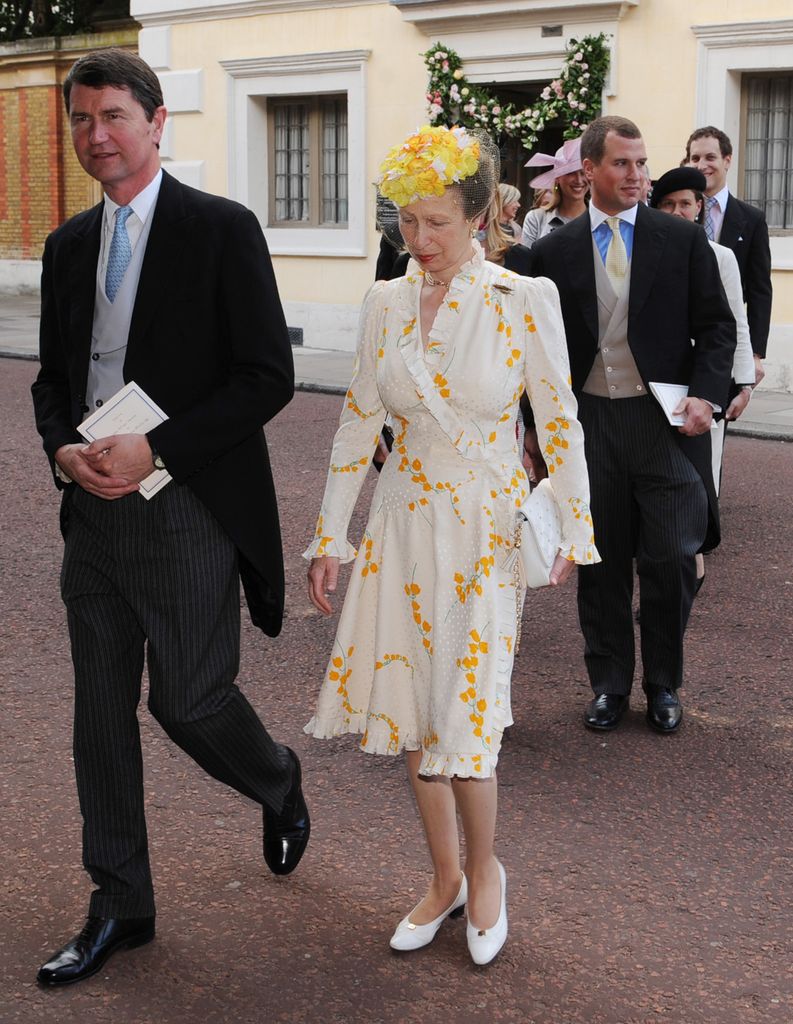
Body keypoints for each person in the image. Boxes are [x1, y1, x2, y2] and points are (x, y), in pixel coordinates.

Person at [31, 49, 309, 987]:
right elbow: (53, 384)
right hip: (93, 519)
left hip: (186, 504)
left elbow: (268, 375)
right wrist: (65, 451)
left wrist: (163, 449)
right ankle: (121, 903)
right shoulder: (68, 246)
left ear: (156, 123)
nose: (95, 135)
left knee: (188, 701)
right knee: (99, 718)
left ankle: (275, 779)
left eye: (112, 115)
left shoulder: (220, 230)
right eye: (80, 119)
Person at [304, 125, 598, 965]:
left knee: (465, 716)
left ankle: (487, 870)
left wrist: (572, 528)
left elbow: (560, 420)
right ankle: (442, 879)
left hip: (482, 528)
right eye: (406, 221)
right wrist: (331, 536)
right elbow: (359, 420)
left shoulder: (519, 300)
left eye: (436, 222)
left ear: (482, 216)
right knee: (413, 710)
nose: (419, 240)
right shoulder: (383, 303)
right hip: (400, 524)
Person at [528, 116, 736, 735]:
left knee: (672, 557)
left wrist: (707, 395)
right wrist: (539, 431)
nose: (638, 176)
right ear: (587, 170)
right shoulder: (552, 253)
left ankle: (664, 683)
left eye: (642, 163)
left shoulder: (681, 240)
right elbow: (534, 352)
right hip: (587, 425)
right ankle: (609, 684)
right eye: (623, 164)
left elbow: (718, 328)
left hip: (664, 422)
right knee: (600, 563)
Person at [649, 166, 755, 497]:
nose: (676, 212)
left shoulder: (722, 257)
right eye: (667, 205)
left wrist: (744, 383)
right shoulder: (648, 255)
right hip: (661, 375)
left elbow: (734, 320)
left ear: (698, 208)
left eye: (684, 204)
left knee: (703, 469)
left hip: (707, 376)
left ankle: (698, 541)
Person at [685, 126, 772, 387]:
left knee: (718, 420)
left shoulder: (752, 219)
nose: (702, 165)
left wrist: (755, 354)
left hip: (728, 343)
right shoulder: (675, 214)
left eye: (710, 157)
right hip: (682, 338)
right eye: (695, 158)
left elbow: (759, 290)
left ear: (727, 160)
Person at [520, 138, 588, 248]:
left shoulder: (599, 220)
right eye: (570, 173)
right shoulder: (537, 218)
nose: (579, 180)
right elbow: (526, 262)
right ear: (557, 178)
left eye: (583, 173)